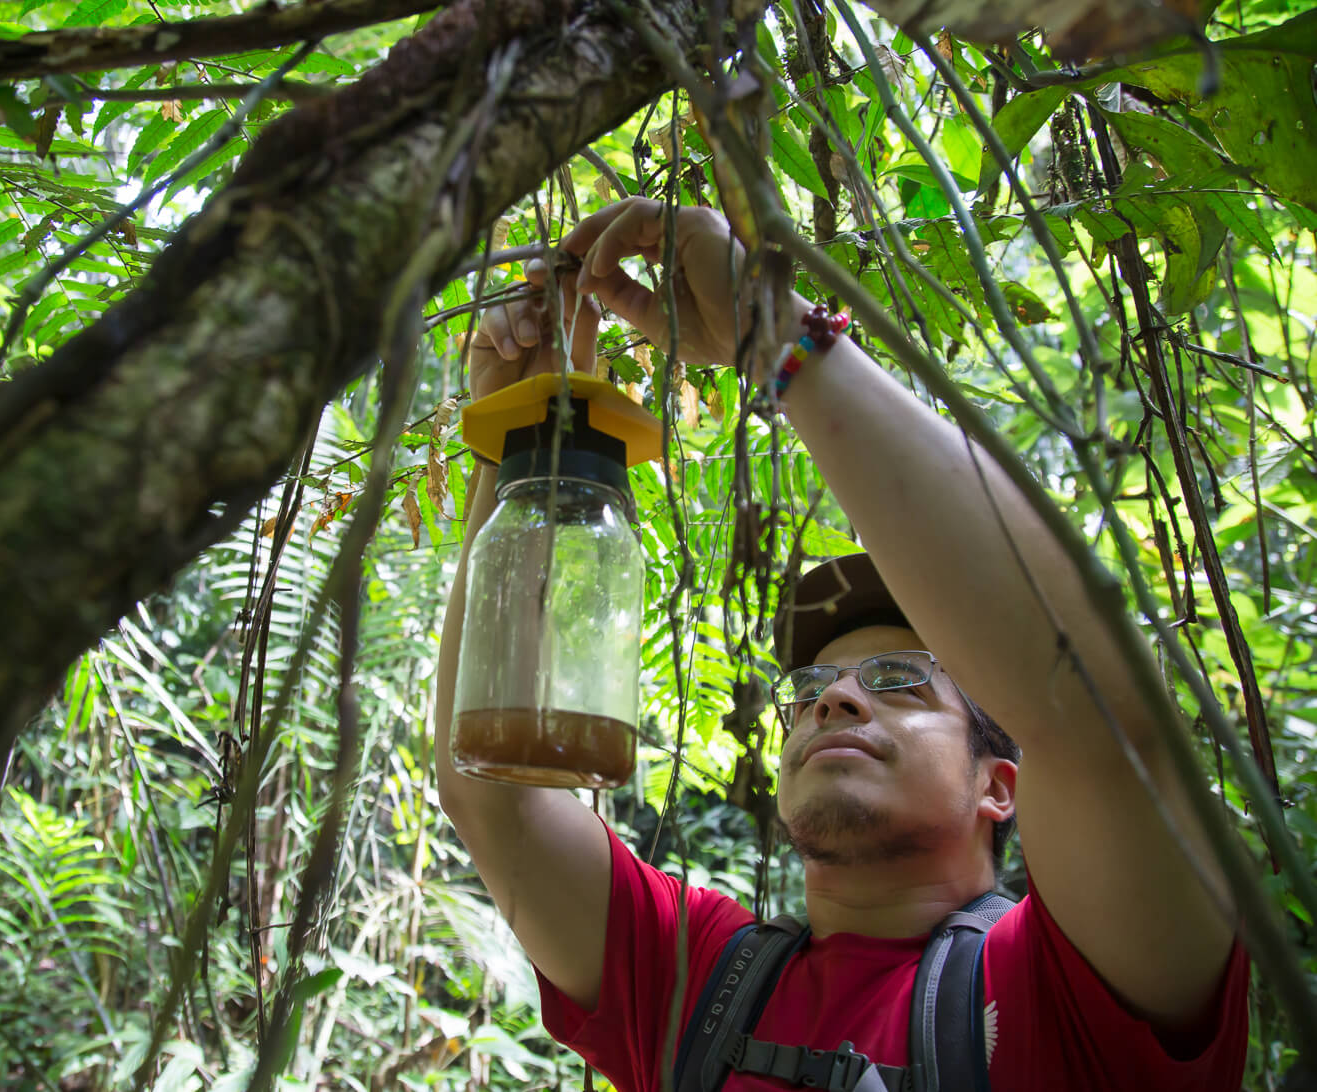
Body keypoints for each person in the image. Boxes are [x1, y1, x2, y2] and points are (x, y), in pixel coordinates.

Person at [432, 197, 1250, 1090]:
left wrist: (771, 332)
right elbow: (495, 788)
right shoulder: (694, 977)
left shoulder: (1071, 983)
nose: (833, 698)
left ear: (999, 785)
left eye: (900, 680)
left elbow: (1102, 718)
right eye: (814, 686)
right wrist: (526, 440)